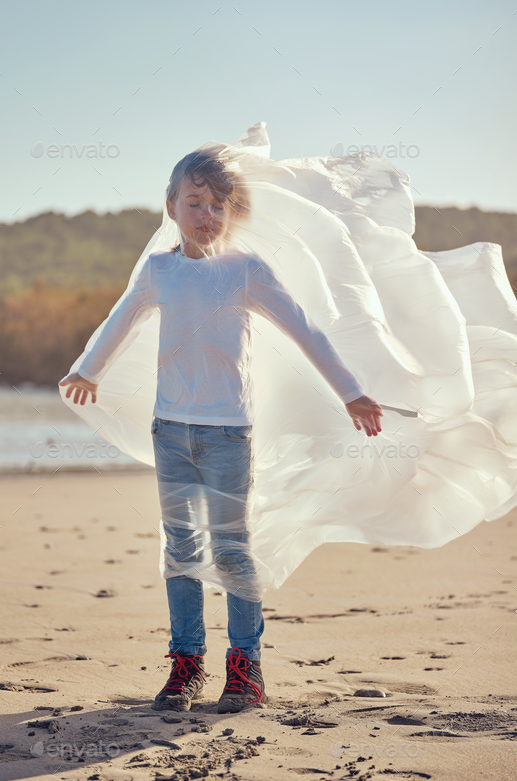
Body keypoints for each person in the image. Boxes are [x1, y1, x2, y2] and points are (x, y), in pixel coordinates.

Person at [59, 146, 383, 713]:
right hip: (170, 432)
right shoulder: (160, 271)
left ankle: (245, 667)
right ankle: (186, 665)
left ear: (232, 213)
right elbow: (121, 318)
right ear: (172, 207)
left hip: (229, 434)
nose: (206, 214)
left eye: (217, 205)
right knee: (179, 548)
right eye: (194, 202)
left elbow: (306, 331)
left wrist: (350, 391)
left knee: (231, 550)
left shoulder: (246, 271)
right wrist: (87, 370)